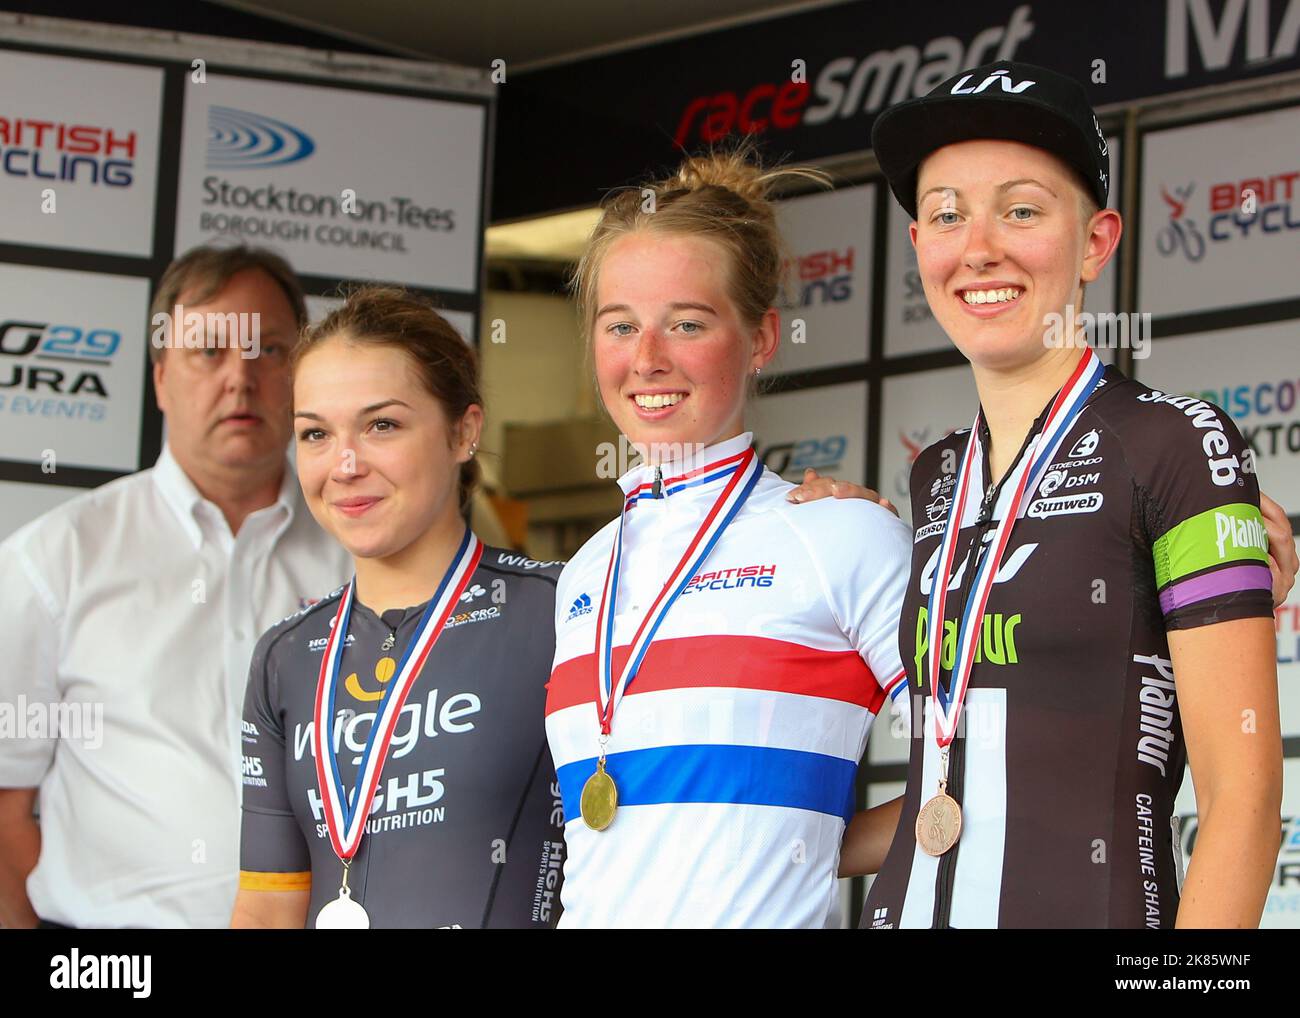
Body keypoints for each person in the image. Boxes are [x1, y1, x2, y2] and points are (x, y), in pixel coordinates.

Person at [833, 60, 1283, 928]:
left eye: (1023, 209)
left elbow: (1246, 806)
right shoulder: (936, 475)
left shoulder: (1176, 444)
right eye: (945, 214)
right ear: (920, 244)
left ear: (1097, 241)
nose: (979, 246)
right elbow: (963, 780)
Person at [544, 150, 913, 928]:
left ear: (761, 337)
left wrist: (809, 842)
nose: (647, 358)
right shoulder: (584, 573)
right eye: (620, 325)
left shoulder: (842, 536)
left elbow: (986, 763)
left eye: (687, 323)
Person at [0, 246, 351, 928]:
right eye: (209, 352)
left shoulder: (365, 554)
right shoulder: (56, 560)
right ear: (161, 377)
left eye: (269, 351)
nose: (240, 379)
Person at [230, 287, 564, 929]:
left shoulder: (568, 608)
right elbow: (268, 907)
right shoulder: (286, 656)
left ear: (464, 431)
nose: (345, 464)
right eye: (316, 434)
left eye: (382, 424)